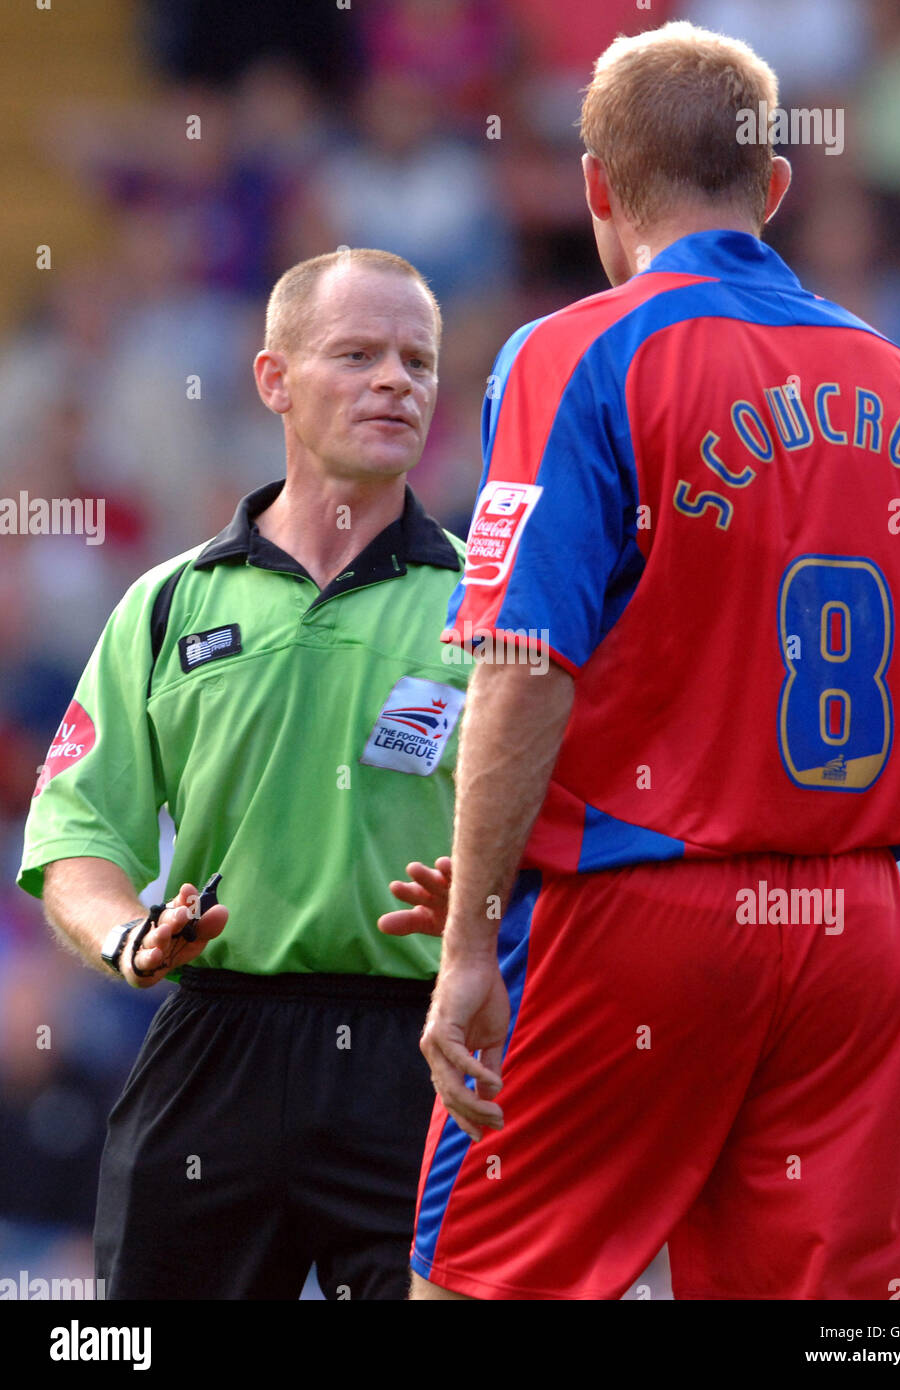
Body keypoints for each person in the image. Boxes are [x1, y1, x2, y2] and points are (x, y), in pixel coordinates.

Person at [386, 22, 900, 1300]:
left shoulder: (577, 352)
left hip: (637, 914)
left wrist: (472, 934)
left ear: (598, 185)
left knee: (484, 1283)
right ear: (774, 190)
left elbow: (522, 665)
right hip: (855, 932)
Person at [18, 247, 471, 1300]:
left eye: (417, 359)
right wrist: (128, 935)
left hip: (421, 1048)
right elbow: (78, 832)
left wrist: (495, 902)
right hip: (213, 1042)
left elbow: (565, 830)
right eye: (357, 353)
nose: (396, 380)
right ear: (273, 380)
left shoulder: (487, 606)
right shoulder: (167, 605)